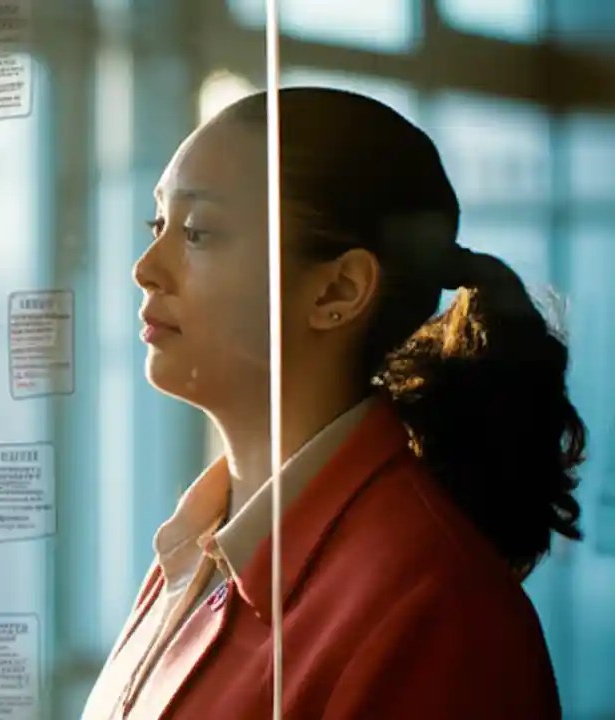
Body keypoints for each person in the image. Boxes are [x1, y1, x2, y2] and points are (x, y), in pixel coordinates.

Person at [81, 87, 586, 719]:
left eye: (198, 231)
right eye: (159, 226)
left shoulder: (435, 607)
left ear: (338, 290)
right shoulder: (198, 552)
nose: (147, 267)